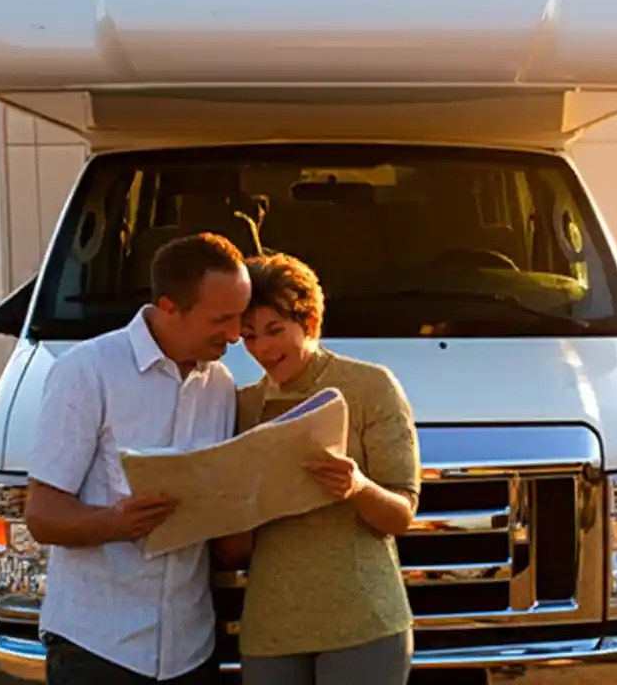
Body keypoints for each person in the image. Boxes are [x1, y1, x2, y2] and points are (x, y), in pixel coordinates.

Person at [23, 232, 251, 685]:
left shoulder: (222, 385)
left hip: (192, 649)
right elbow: (42, 517)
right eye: (222, 319)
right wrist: (117, 523)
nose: (236, 335)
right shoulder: (85, 371)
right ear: (169, 307)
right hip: (98, 649)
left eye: (241, 317)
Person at [216, 252, 421, 685]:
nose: (262, 348)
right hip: (271, 628)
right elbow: (233, 548)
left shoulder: (372, 387)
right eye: (249, 336)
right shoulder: (243, 406)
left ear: (309, 324)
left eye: (275, 330)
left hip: (363, 622)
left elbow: (401, 515)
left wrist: (358, 486)